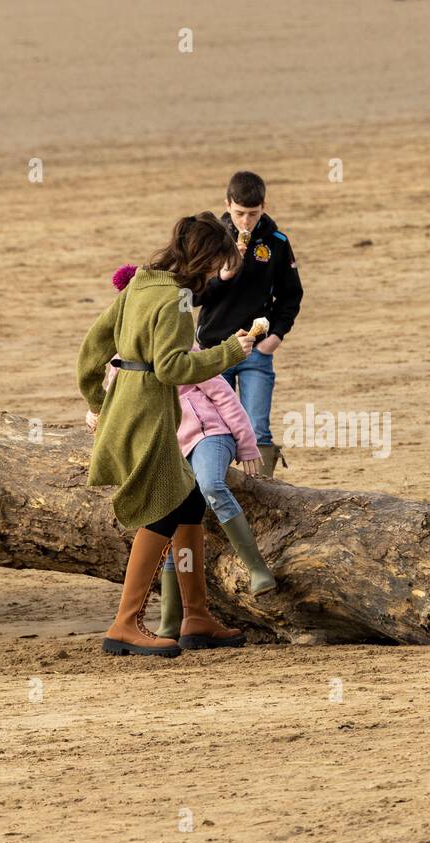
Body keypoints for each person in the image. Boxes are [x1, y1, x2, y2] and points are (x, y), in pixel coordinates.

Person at [77, 213, 257, 658]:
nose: (218, 273)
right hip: (153, 413)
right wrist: (230, 351)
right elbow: (173, 367)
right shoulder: (177, 300)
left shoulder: (139, 284)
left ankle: (195, 616)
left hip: (128, 407)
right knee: (161, 510)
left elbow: (91, 349)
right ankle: (124, 623)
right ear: (203, 258)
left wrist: (102, 405)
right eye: (217, 263)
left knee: (190, 502)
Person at [192, 171, 303, 478]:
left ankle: (262, 491)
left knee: (257, 427)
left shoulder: (277, 243)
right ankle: (219, 489)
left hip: (256, 350)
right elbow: (190, 296)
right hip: (215, 349)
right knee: (218, 427)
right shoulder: (212, 241)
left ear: (263, 207)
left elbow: (291, 295)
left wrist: (277, 335)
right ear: (227, 204)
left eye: (252, 214)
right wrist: (222, 276)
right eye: (239, 213)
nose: (245, 222)